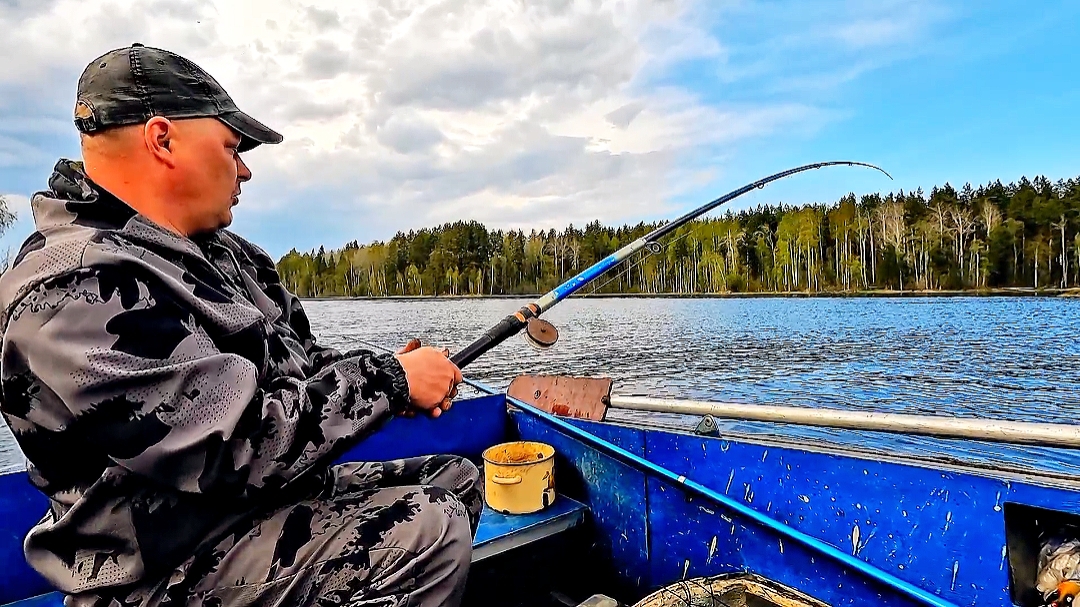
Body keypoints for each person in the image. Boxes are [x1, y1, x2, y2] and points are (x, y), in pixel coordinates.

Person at [0, 44, 483, 607]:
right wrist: (389, 384)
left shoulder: (227, 258)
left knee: (455, 478)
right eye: (232, 147)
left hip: (253, 512)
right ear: (163, 140)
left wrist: (390, 371)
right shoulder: (68, 289)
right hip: (158, 571)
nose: (245, 169)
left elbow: (297, 362)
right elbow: (231, 445)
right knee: (427, 531)